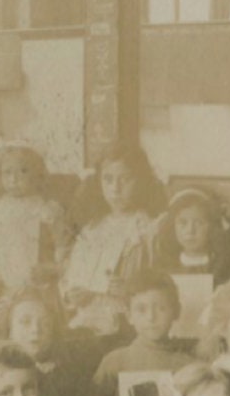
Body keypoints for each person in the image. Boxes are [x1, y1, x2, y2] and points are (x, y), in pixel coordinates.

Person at [61, 144, 162, 337]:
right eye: (108, 180)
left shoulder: (146, 230)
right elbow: (70, 275)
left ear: (141, 182)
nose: (115, 188)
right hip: (87, 316)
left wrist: (132, 289)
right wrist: (71, 294)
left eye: (125, 179)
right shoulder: (92, 228)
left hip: (128, 319)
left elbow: (160, 279)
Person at [0, 140, 71, 304]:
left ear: (37, 174)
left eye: (23, 171)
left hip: (39, 288)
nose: (14, 179)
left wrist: (53, 268)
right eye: (7, 172)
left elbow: (63, 248)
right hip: (0, 288)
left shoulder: (47, 211)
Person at [91, 271, 197, 396]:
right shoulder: (114, 362)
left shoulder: (189, 366)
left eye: (161, 308)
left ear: (176, 311)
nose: (151, 317)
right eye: (141, 310)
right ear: (129, 315)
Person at [146, 187, 230, 284]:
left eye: (199, 223)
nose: (190, 230)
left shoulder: (221, 268)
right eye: (183, 223)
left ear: (212, 227)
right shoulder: (166, 268)